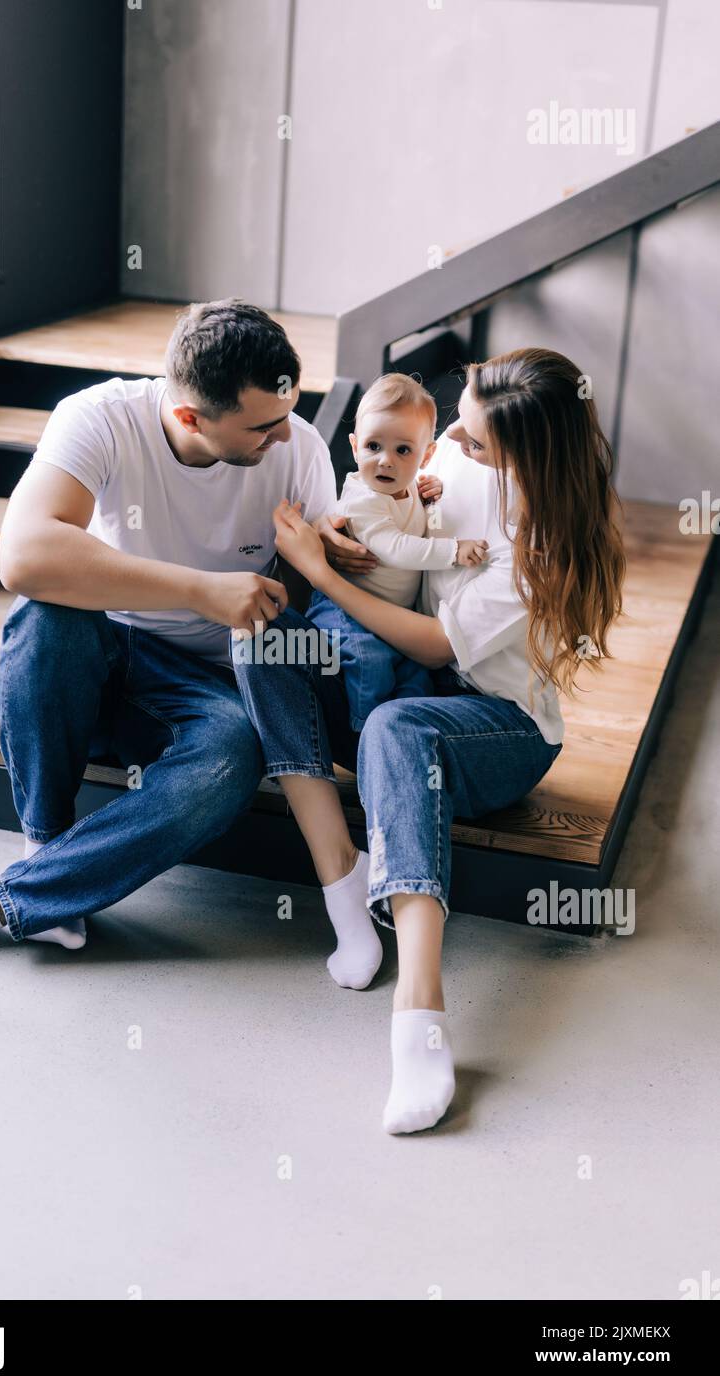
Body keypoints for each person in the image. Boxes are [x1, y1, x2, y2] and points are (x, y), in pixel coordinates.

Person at [0, 299, 350, 957]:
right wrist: (201, 591)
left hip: (199, 691)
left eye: (288, 412)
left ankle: (11, 899)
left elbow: (326, 584)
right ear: (188, 417)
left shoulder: (301, 450)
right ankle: (46, 849)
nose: (285, 435)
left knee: (231, 757)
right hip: (94, 658)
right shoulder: (99, 417)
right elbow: (22, 555)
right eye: (263, 426)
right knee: (44, 611)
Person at [231, 348, 627, 1134]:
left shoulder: (538, 542)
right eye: (456, 417)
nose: (448, 438)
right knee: (260, 637)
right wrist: (340, 531)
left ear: (516, 456)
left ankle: (419, 1011)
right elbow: (390, 499)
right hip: (394, 682)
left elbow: (435, 647)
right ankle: (343, 880)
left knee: (394, 726)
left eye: (473, 440)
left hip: (496, 726)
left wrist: (323, 568)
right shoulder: (447, 447)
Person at [303, 371, 488, 732]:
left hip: (389, 615)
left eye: (403, 450)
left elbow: (419, 518)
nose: (386, 460)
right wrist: (453, 551)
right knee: (367, 659)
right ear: (355, 446)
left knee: (416, 676)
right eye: (373, 447)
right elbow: (397, 549)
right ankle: (362, 730)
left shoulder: (407, 489)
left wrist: (431, 492)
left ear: (426, 455)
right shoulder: (363, 501)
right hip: (345, 609)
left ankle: (397, 729)